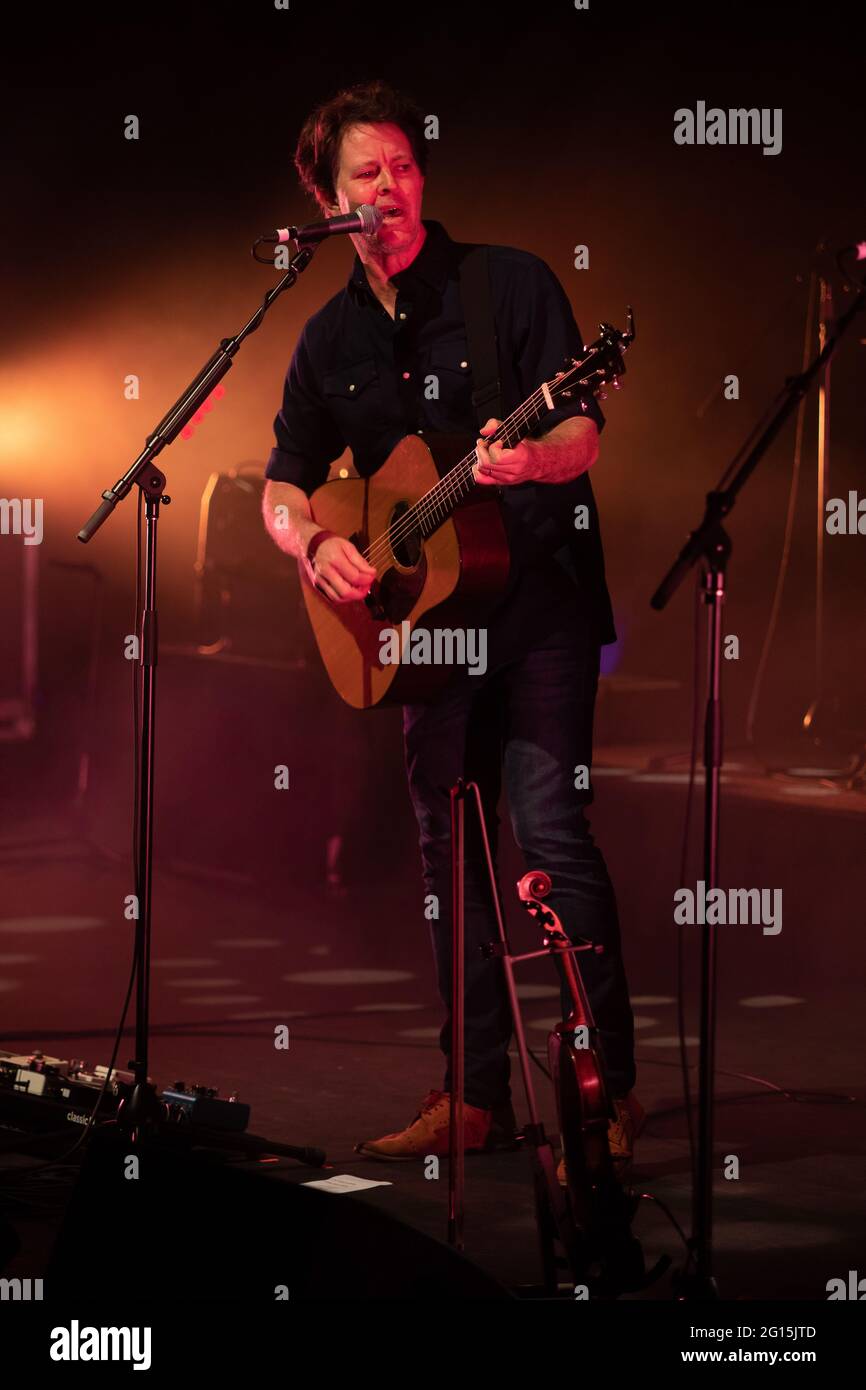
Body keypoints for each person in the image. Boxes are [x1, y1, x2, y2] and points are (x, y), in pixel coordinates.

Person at [262, 80, 643, 1178]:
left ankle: (599, 1092)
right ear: (327, 200)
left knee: (548, 833)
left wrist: (530, 455)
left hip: (538, 610)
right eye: (365, 176)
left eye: (402, 167)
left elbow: (580, 427)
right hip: (422, 631)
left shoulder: (507, 284)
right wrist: (310, 545)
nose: (391, 188)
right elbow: (281, 484)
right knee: (446, 856)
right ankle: (472, 1093)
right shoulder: (326, 334)